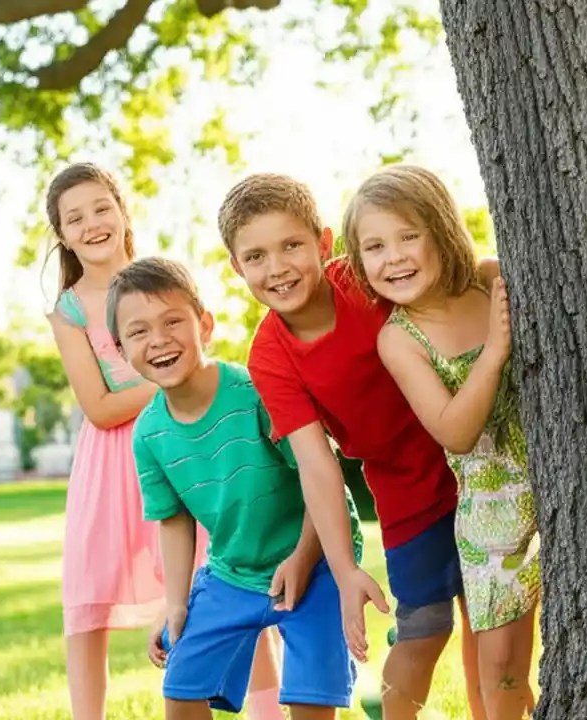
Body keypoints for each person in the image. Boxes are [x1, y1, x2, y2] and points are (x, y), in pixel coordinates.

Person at [220, 173, 499, 719]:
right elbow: (317, 467)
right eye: (255, 256)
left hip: (482, 461)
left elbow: (452, 282)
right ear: (237, 267)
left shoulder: (367, 278)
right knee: (423, 628)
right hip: (404, 493)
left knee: (487, 621)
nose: (277, 267)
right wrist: (345, 570)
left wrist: (492, 272)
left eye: (291, 246)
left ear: (325, 244)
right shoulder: (271, 356)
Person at [44, 164, 280, 720]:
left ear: (124, 213)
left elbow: (203, 361)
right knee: (90, 600)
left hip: (191, 445)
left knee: (235, 578)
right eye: (74, 218)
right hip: (112, 465)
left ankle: (270, 712)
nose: (92, 224)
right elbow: (99, 408)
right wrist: (171, 377)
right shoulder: (69, 310)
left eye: (102, 208)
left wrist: (184, 379)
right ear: (62, 235)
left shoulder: (160, 279)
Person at [108, 256, 361, 719]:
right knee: (181, 691)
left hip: (316, 554)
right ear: (121, 349)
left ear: (204, 325)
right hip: (232, 574)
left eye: (172, 322)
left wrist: (304, 559)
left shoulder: (255, 393)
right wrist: (176, 604)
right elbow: (175, 521)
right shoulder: (148, 434)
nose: (159, 340)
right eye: (139, 332)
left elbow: (319, 476)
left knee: (311, 701)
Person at [343, 164, 539, 719]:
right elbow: (454, 429)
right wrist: (495, 353)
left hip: (558, 489)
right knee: (502, 666)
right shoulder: (399, 339)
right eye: (375, 246)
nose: (395, 257)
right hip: (491, 514)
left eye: (409, 236)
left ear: (441, 229)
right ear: (359, 261)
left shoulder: (488, 279)